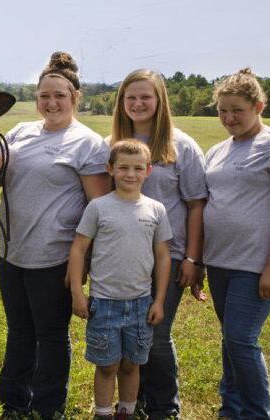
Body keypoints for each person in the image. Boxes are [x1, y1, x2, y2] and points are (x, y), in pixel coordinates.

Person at [0, 51, 111, 418]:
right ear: (36, 98)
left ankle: (47, 408)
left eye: (59, 96)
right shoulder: (20, 132)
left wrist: (84, 264)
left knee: (50, 335)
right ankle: (14, 402)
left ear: (75, 97)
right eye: (44, 96)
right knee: (18, 330)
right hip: (12, 252)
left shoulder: (87, 143)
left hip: (55, 258)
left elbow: (99, 209)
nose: (51, 103)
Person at [203, 68, 270, 419]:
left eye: (238, 110)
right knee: (230, 341)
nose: (229, 118)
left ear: (258, 106)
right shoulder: (217, 151)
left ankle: (258, 413)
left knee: (240, 340)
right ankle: (230, 410)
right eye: (222, 111)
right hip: (219, 262)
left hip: (256, 264)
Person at [108, 69, 208, 419]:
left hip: (169, 254)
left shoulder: (181, 146)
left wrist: (193, 258)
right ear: (122, 102)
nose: (138, 104)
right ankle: (132, 403)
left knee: (156, 334)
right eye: (131, 97)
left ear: (160, 100)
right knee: (128, 334)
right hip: (123, 258)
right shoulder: (113, 144)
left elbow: (196, 205)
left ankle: (165, 408)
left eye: (145, 97)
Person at [67, 140, 172, 420]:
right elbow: (78, 249)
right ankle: (102, 414)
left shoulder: (156, 210)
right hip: (104, 304)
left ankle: (125, 412)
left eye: (138, 168)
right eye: (123, 167)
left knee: (131, 365)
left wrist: (159, 300)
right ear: (110, 169)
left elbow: (163, 256)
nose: (130, 174)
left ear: (148, 171)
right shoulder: (98, 207)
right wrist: (77, 292)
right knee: (107, 366)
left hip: (140, 304)